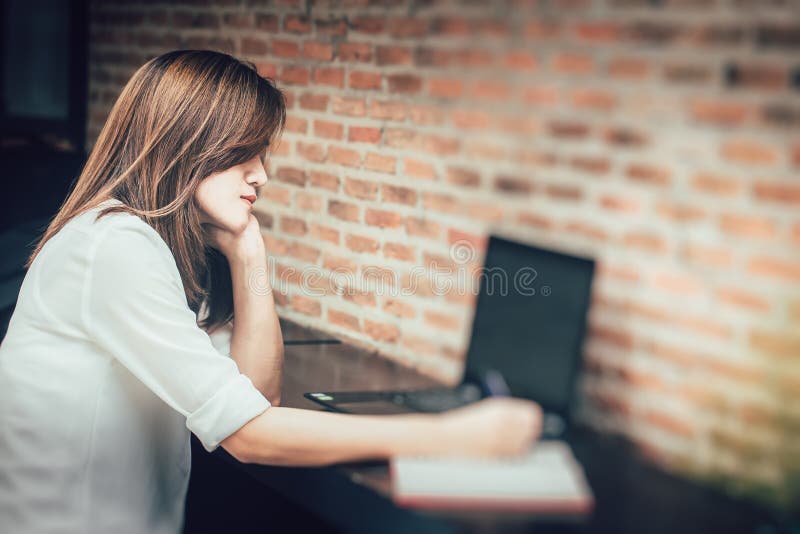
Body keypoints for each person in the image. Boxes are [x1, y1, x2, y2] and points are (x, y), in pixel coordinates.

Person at [0, 50, 542, 534]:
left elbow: (256, 398)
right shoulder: (114, 245)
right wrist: (453, 437)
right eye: (246, 154)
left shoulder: (151, 244)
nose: (262, 175)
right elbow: (250, 435)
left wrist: (249, 252)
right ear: (191, 144)